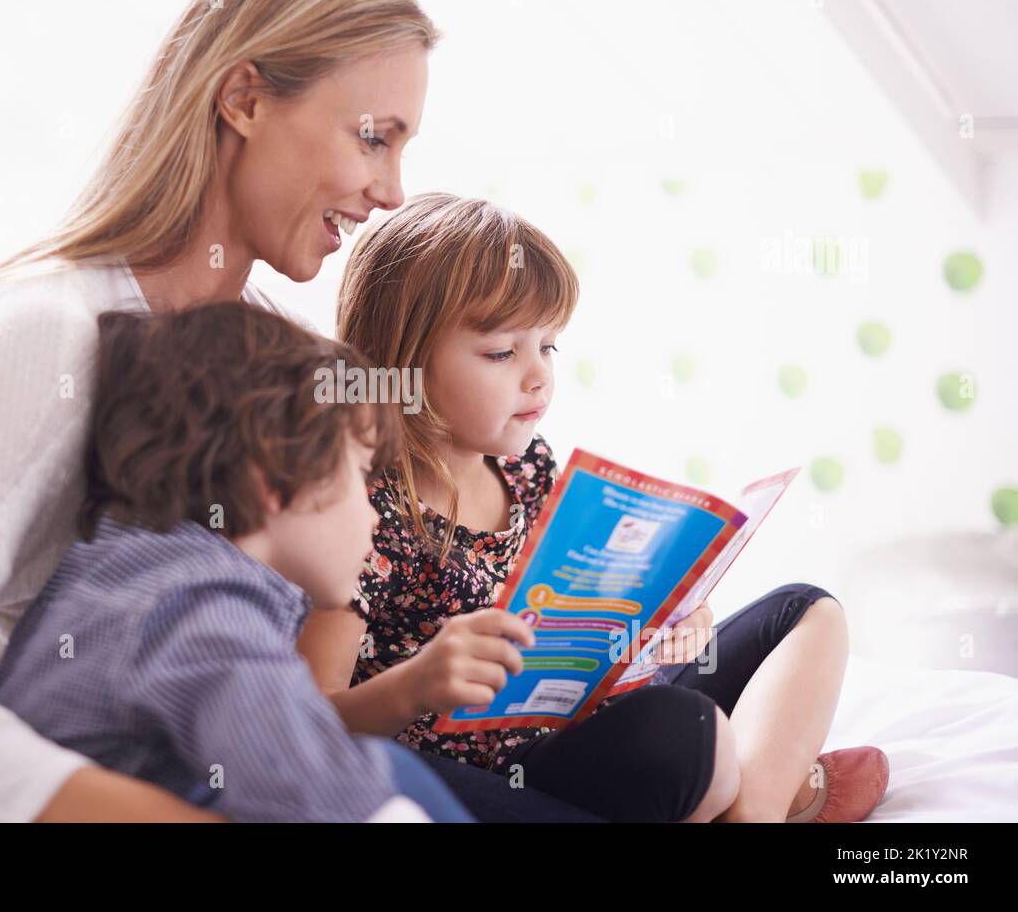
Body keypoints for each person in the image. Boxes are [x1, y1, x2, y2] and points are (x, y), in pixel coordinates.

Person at [0, 0, 436, 822]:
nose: (394, 192)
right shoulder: (53, 327)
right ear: (244, 100)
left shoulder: (269, 349)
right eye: (374, 136)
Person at [297, 192, 888, 822]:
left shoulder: (527, 467)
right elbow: (305, 721)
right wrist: (416, 685)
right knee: (689, 735)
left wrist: (674, 621)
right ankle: (782, 785)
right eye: (503, 352)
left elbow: (586, 613)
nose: (538, 377)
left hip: (578, 728)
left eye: (548, 347)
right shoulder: (363, 511)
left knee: (807, 611)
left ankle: (756, 810)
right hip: (491, 776)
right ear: (404, 362)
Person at [0, 302, 474, 821]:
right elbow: (316, 792)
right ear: (275, 475)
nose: (375, 515)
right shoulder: (202, 610)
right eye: (359, 472)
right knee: (395, 775)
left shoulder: (124, 560)